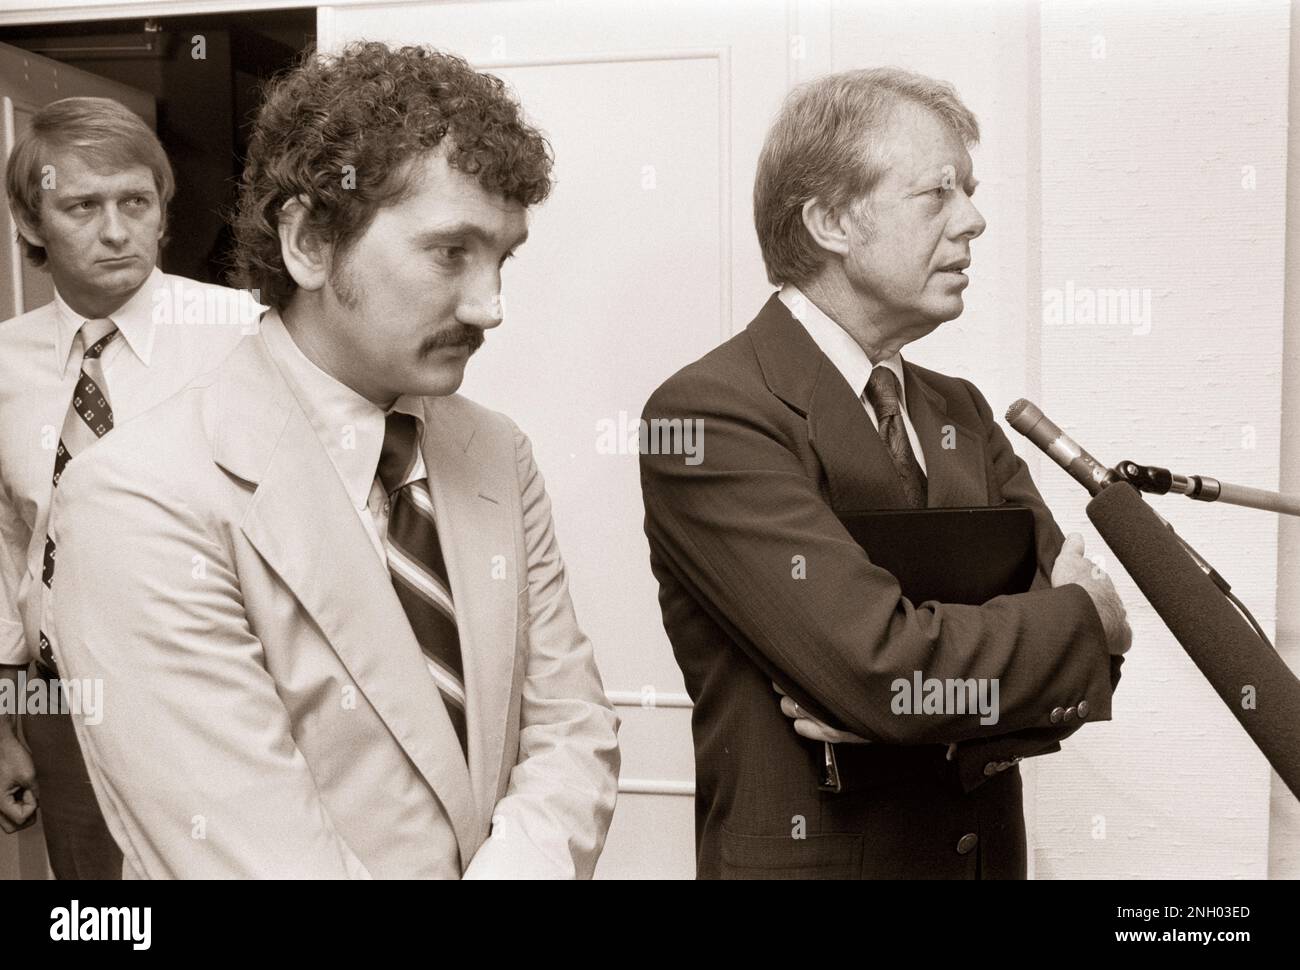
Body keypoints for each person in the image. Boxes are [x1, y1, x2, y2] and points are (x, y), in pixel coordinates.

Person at [48, 42, 620, 879]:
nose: (489, 305)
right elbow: (255, 858)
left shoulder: (495, 451)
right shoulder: (136, 498)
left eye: (504, 258)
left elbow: (570, 727)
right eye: (450, 251)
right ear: (311, 241)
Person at [639, 67, 1130, 879]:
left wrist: (905, 706)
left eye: (968, 191)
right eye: (937, 193)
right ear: (831, 220)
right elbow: (886, 668)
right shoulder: (707, 416)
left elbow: (1078, 671)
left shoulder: (962, 411)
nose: (974, 220)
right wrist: (1082, 622)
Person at [0, 97, 253, 878]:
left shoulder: (246, 336)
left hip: (219, 706)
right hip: (62, 708)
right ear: (31, 221)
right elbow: (10, 542)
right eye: (83, 206)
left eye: (135, 202)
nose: (116, 231)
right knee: (99, 920)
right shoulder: (3, 365)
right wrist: (8, 719)